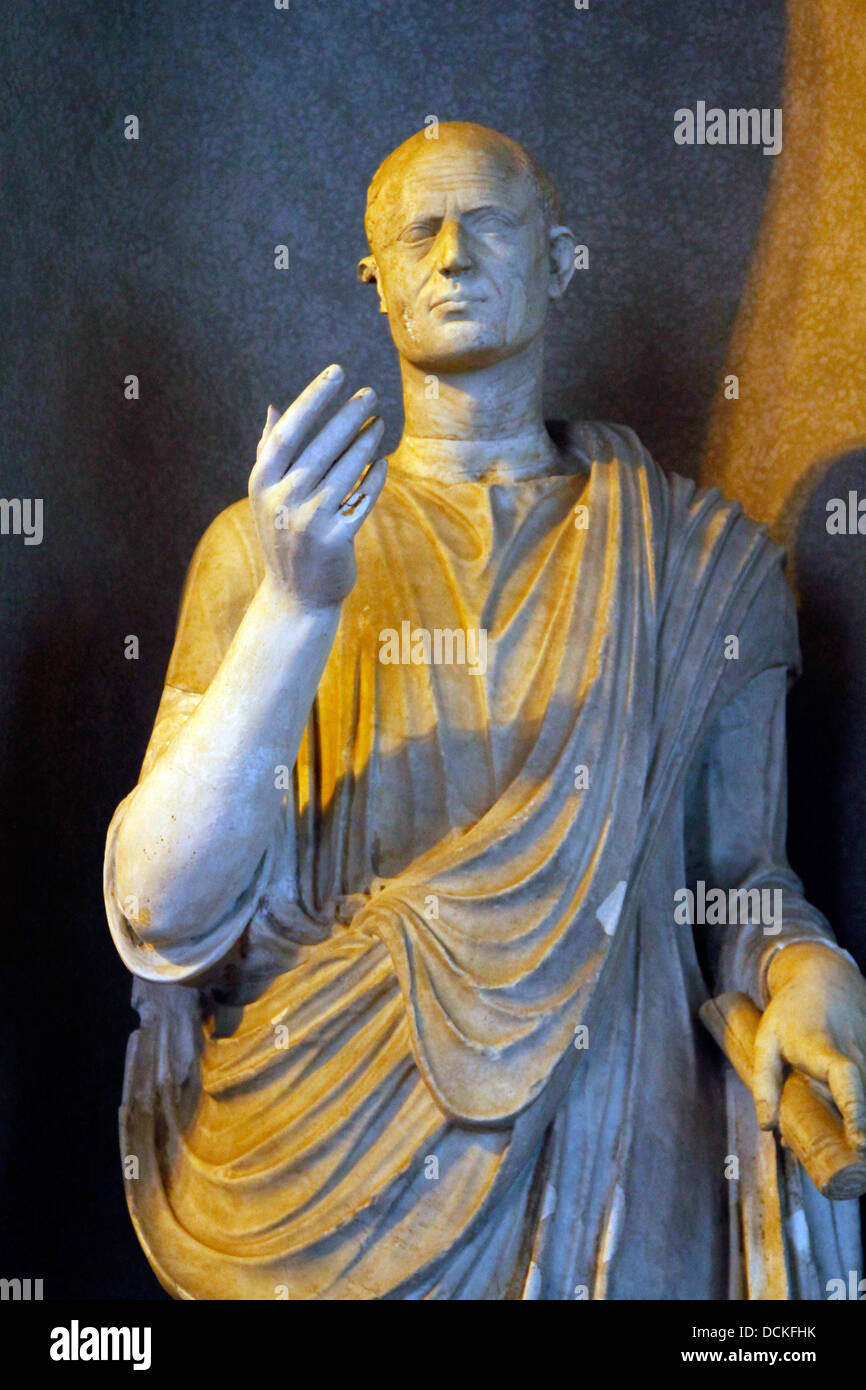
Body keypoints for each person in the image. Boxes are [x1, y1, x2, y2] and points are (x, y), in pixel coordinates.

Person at [104, 122, 865, 1299]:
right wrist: (296, 610)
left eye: (487, 222)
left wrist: (809, 970)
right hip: (319, 1145)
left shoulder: (695, 563)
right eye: (419, 231)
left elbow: (736, 882)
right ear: (376, 280)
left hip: (616, 1135)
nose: (451, 253)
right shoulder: (262, 552)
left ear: (557, 259)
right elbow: (161, 908)